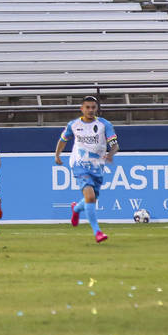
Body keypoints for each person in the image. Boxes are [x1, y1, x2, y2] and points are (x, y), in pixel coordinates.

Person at [54, 96, 117, 243]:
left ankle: (76, 209)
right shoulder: (74, 125)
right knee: (89, 196)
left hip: (97, 166)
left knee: (92, 199)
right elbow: (63, 139)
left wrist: (111, 154)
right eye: (87, 107)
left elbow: (114, 145)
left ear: (96, 109)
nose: (90, 110)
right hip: (79, 164)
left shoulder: (104, 125)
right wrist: (57, 155)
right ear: (81, 108)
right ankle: (98, 232)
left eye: (93, 107)